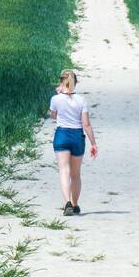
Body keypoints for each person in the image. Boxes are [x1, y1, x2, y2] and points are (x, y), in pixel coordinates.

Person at [49, 69, 98, 215]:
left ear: (61, 81)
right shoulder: (81, 100)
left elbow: (53, 117)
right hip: (77, 136)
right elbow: (86, 124)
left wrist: (59, 95)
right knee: (75, 174)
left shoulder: (55, 99)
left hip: (62, 135)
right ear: (75, 82)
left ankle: (67, 203)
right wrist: (93, 143)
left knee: (64, 170)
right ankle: (75, 204)